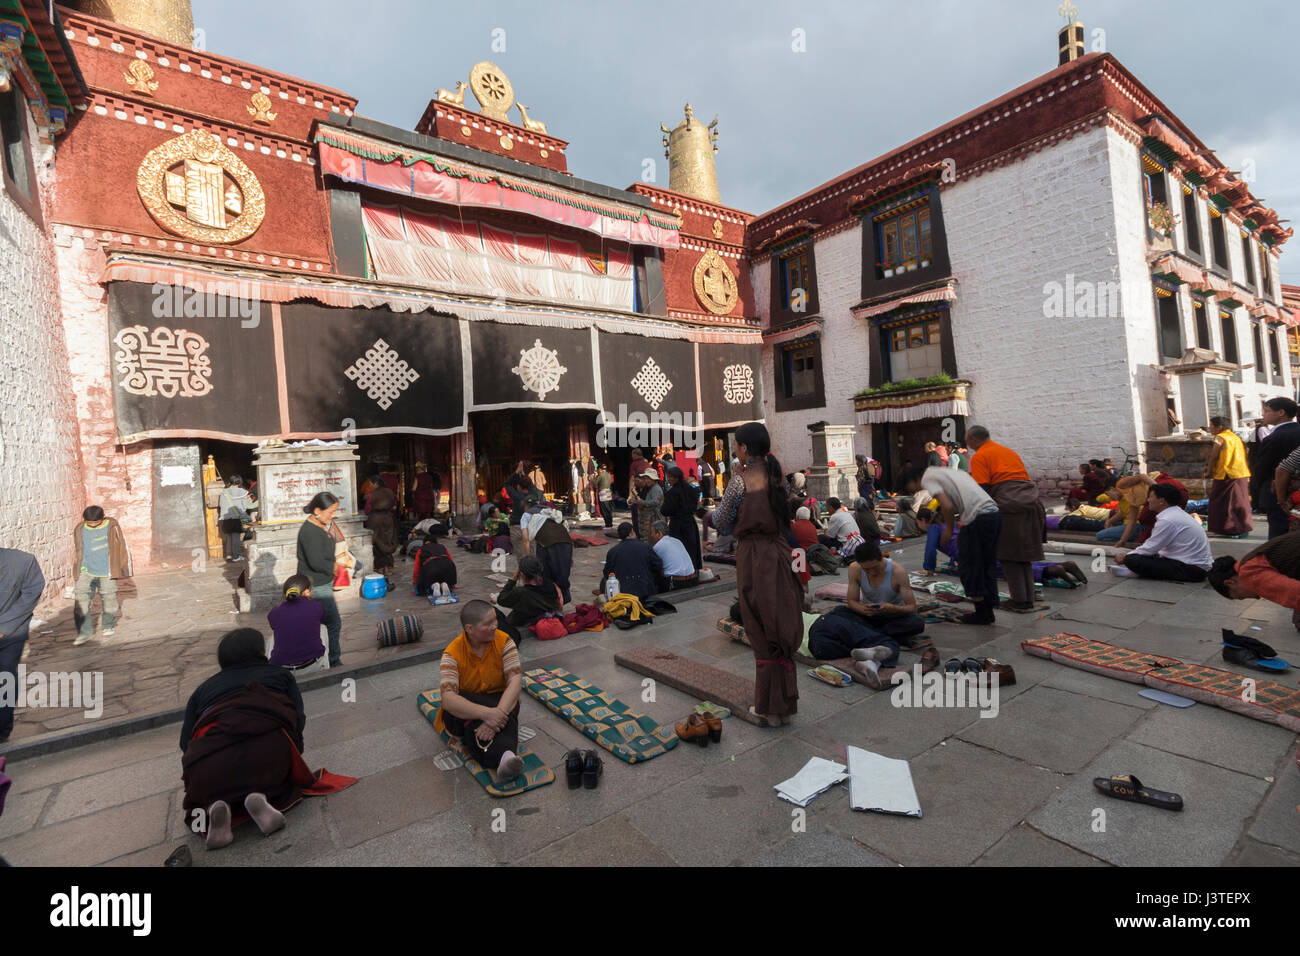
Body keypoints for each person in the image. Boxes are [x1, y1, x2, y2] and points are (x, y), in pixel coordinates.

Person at [180, 628, 307, 850]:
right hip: (266, 757)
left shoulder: (202, 691)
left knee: (216, 782)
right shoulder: (280, 675)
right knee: (270, 771)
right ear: (261, 651)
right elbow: (298, 719)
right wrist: (295, 752)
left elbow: (185, 743)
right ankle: (263, 799)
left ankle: (216, 807)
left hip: (209, 768)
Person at [712, 422, 803, 725]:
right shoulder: (778, 477)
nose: (735, 450)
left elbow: (723, 523)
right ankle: (783, 706)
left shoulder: (739, 481)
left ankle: (766, 708)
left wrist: (709, 515)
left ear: (745, 449)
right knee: (780, 621)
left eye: (736, 445)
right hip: (779, 551)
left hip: (754, 556)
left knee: (759, 623)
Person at [809, 541, 925, 689]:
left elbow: (911, 607)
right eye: (867, 570)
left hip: (892, 616)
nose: (871, 573)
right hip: (868, 616)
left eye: (875, 568)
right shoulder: (855, 569)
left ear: (881, 558)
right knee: (837, 613)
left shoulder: (898, 572)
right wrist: (862, 609)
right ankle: (874, 643)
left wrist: (891, 608)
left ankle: (868, 639)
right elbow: (852, 601)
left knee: (916, 622)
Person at [896, 464, 1001, 624]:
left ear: (912, 479)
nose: (911, 491)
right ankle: (988, 609)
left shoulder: (928, 477)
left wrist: (949, 529)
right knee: (986, 564)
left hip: (977, 517)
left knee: (969, 566)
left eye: (908, 487)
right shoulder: (946, 472)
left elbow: (947, 505)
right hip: (993, 514)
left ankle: (982, 613)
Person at [435, 600, 525, 782]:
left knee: (509, 698)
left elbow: (515, 681)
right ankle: (505, 756)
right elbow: (449, 700)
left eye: (495, 621)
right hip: (466, 711)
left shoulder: (505, 641)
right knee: (465, 702)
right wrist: (487, 714)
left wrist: (493, 718)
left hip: (499, 703)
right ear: (469, 628)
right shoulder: (451, 654)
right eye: (488, 624)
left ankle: (505, 758)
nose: (495, 626)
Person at [967, 426, 1045, 612]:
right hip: (1030, 503)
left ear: (972, 438)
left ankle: (1019, 601)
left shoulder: (980, 455)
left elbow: (982, 490)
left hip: (1008, 504)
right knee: (1023, 556)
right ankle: (1028, 600)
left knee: (1008, 555)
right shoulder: (1008, 451)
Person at [1114, 483, 1212, 582]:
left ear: (1162, 501)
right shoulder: (1176, 513)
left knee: (1132, 560)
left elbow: (1150, 548)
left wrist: (1126, 557)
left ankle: (1138, 571)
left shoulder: (1168, 519)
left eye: (1151, 497)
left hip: (1191, 570)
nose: (1148, 500)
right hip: (1194, 566)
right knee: (1145, 557)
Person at [1209, 529, 1300, 628]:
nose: (1256, 598)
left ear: (1230, 583)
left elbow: (1296, 594)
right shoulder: (1250, 560)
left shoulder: (1250, 573)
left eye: (1241, 597)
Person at [295, 492, 345, 668]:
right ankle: (333, 660)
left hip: (322, 582)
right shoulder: (309, 531)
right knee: (333, 622)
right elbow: (315, 561)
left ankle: (319, 658)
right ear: (317, 510)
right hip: (316, 584)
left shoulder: (321, 526)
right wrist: (334, 567)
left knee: (320, 622)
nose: (332, 515)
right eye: (330, 511)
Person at [0, 549, 44, 743]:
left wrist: (4, 627)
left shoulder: (23, 561)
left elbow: (32, 591)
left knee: (5, 678)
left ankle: (2, 728)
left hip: (11, 635)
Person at [73, 505, 132, 646]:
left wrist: (122, 568)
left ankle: (108, 625)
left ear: (102, 518)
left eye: (95, 523)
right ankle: (85, 632)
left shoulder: (112, 526)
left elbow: (122, 547)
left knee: (109, 598)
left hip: (107, 571)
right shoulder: (80, 528)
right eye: (89, 523)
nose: (92, 526)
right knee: (81, 600)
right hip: (85, 570)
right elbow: (79, 549)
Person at [1256, 397, 1300, 538]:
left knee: (1279, 536)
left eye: (1267, 411)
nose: (1263, 415)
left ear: (1281, 412)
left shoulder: (1275, 438)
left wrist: (1279, 498)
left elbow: (1267, 469)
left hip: (1278, 493)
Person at [267, 575, 329, 675]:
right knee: (323, 628)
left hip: (282, 669)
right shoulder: (316, 606)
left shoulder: (274, 612)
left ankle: (269, 671)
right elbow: (321, 619)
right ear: (306, 592)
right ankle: (325, 669)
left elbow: (274, 626)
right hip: (312, 666)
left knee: (273, 637)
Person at [1204, 416, 1253, 538]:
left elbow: (1214, 457)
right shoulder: (1236, 437)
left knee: (1223, 503)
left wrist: (1208, 471)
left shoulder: (1221, 437)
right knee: (1239, 501)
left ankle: (1230, 528)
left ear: (1219, 427)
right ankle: (1241, 527)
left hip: (1227, 474)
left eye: (1211, 426)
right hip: (1240, 473)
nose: (1210, 429)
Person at [521, 503, 573, 604]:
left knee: (546, 573)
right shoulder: (547, 510)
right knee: (562, 572)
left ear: (526, 506)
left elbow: (525, 540)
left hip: (548, 543)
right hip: (566, 541)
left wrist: (527, 559)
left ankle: (554, 600)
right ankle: (563, 597)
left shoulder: (526, 515)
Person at [496, 556, 561, 637]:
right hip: (546, 613)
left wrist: (513, 579)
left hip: (527, 620)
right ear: (541, 569)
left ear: (522, 574)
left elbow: (501, 599)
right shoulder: (549, 584)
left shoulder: (520, 592)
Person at [600, 522, 664, 601]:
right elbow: (658, 566)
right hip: (645, 591)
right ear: (631, 533)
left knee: (605, 581)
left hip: (623, 594)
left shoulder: (613, 552)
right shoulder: (645, 547)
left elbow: (607, 573)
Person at [660, 466, 702, 571]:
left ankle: (682, 571)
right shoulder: (690, 489)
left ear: (676, 478)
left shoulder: (672, 493)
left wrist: (663, 503)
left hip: (677, 525)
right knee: (691, 547)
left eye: (670, 477)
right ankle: (693, 569)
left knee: (679, 548)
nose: (668, 479)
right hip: (689, 522)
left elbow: (665, 511)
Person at [364, 485, 398, 591]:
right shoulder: (389, 491)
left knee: (376, 541)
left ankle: (380, 568)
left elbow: (367, 508)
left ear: (374, 483)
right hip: (388, 517)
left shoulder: (373, 494)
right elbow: (394, 505)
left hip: (375, 518)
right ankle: (387, 567)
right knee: (387, 539)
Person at [650, 520, 698, 590]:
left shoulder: (658, 546)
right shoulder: (677, 541)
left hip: (677, 582)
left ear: (659, 533)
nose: (651, 535)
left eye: (652, 533)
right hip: (693, 579)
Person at [218, 476, 254, 563]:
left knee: (229, 537)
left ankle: (229, 555)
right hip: (236, 518)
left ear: (230, 482)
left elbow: (220, 505)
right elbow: (244, 507)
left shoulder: (223, 492)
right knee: (236, 538)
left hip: (225, 518)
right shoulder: (243, 492)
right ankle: (236, 556)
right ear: (239, 483)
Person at [630, 468, 664, 542]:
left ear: (653, 479)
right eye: (645, 479)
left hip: (655, 516)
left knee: (652, 539)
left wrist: (642, 502)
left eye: (648, 479)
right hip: (651, 516)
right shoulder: (652, 488)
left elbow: (656, 502)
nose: (646, 481)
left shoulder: (656, 489)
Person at [594, 461, 614, 528]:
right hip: (608, 492)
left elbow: (595, 483)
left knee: (604, 510)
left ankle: (607, 524)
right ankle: (610, 523)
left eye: (598, 469)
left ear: (600, 469)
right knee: (608, 509)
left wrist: (595, 476)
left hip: (603, 493)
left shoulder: (600, 475)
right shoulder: (608, 474)